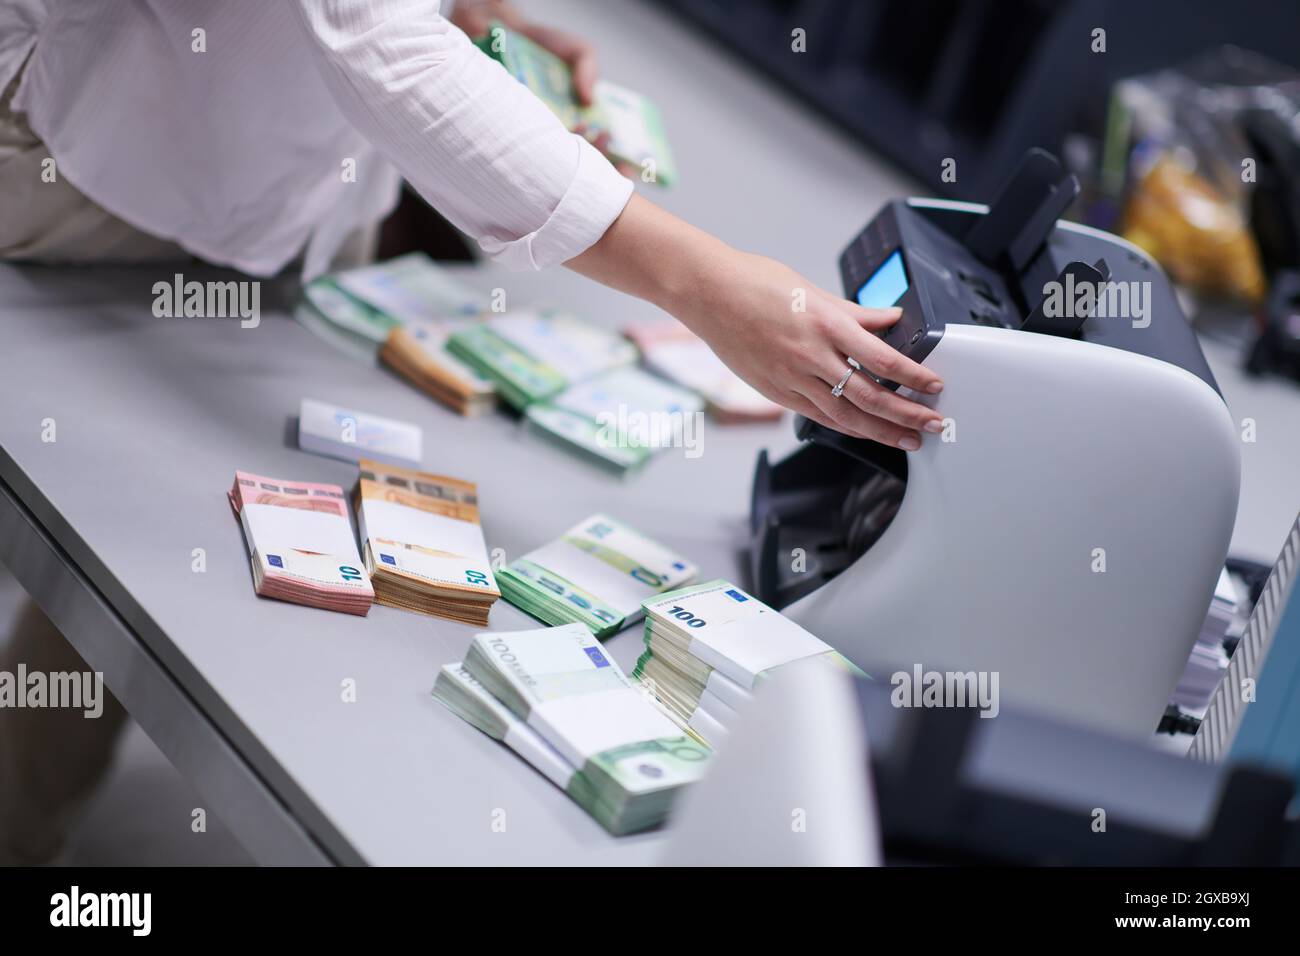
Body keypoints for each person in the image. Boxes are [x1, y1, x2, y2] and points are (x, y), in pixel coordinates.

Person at [0, 0, 944, 863]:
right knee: (117, 505)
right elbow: (381, 43)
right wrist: (706, 283)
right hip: (97, 148)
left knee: (218, 524)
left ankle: (33, 788)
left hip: (282, 166)